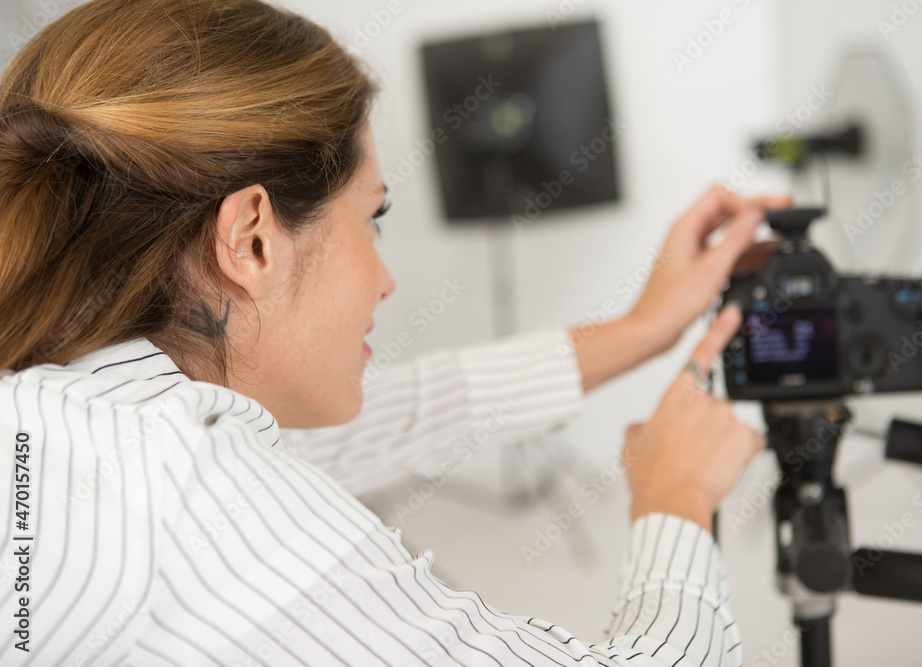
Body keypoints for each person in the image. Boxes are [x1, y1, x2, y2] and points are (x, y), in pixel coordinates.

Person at [0, 0, 788, 664]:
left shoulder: (74, 405)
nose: (386, 278)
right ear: (252, 240)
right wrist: (677, 492)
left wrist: (645, 327)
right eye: (371, 217)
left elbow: (403, 411)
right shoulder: (204, 503)